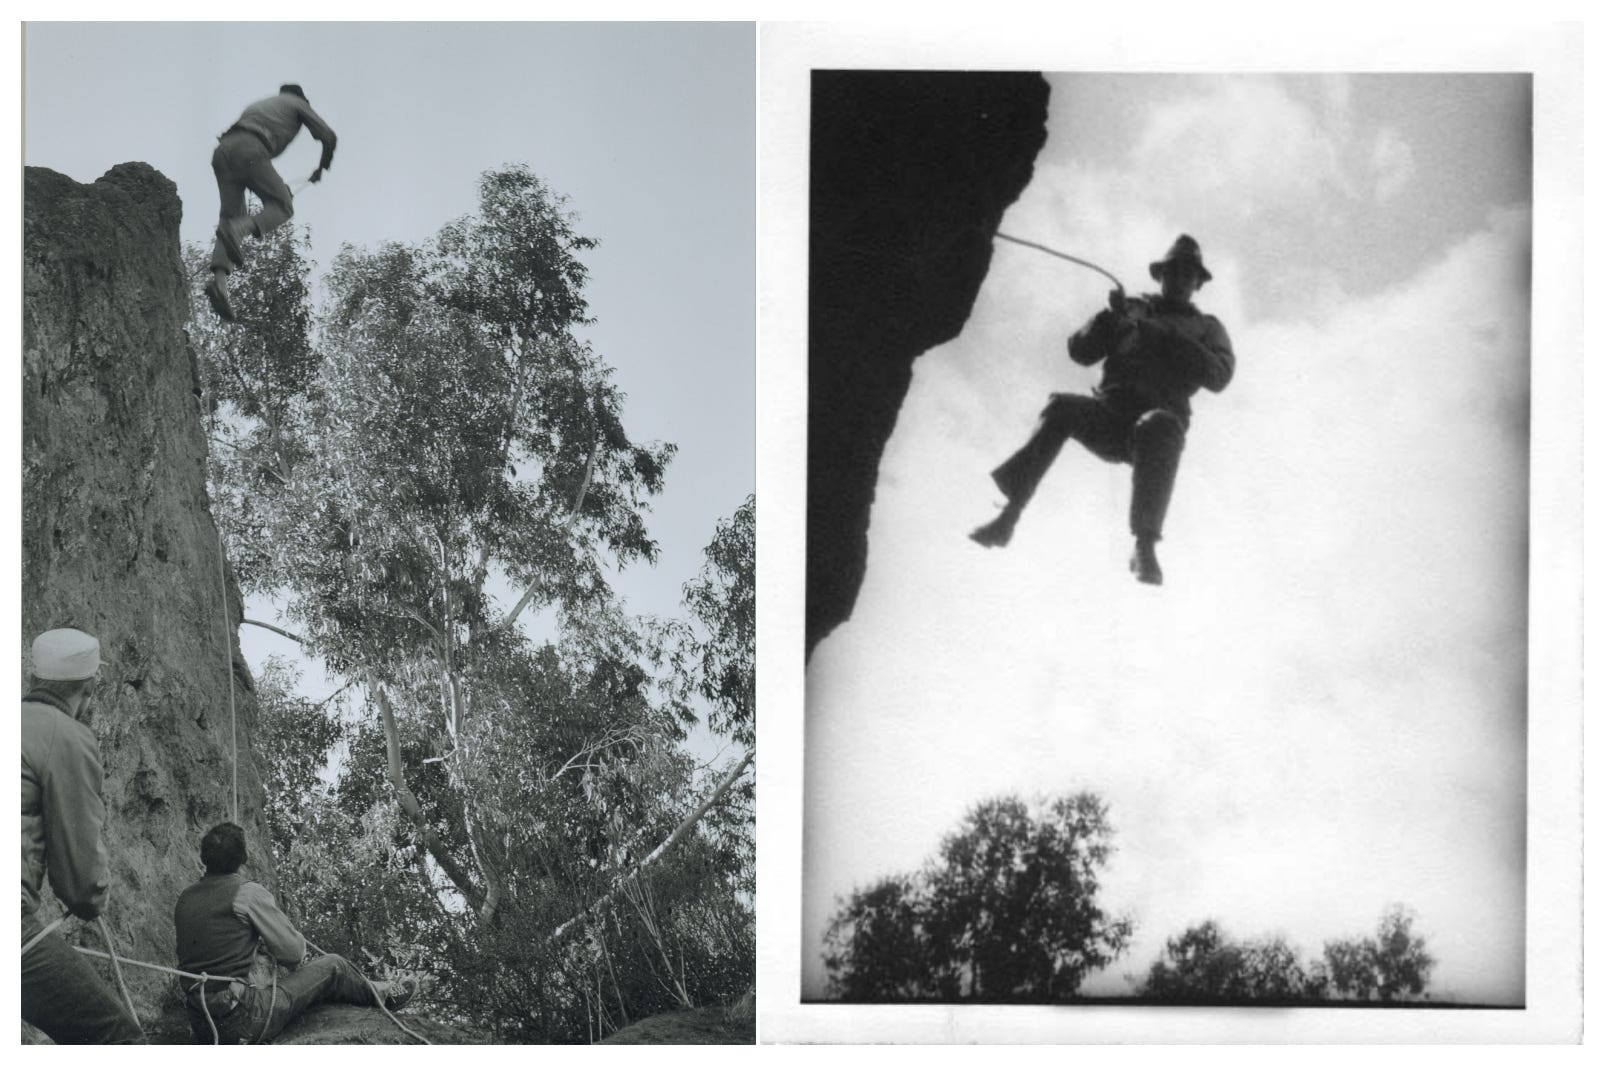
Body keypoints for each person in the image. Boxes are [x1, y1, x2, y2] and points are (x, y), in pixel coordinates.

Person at [970, 234, 1235, 585]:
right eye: (1173, 272)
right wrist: (1108, 319)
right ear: (1161, 276)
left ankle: (1145, 545)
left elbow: (1219, 376)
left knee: (1158, 424)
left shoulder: (1208, 328)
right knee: (1061, 407)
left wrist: (1166, 339)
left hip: (1156, 427)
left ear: (1198, 283)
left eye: (1188, 275)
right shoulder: (1132, 309)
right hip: (1110, 415)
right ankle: (1009, 515)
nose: (1180, 280)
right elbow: (1080, 352)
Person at [173, 822, 415, 1044]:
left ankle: (378, 990)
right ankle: (382, 996)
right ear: (243, 858)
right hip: (244, 1019)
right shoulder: (247, 894)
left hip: (202, 1021)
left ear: (204, 856)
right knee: (334, 965)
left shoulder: (185, 898)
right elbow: (294, 954)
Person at [21, 628, 147, 1044]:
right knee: (119, 1040)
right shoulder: (65, 735)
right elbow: (80, 880)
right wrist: (93, 899)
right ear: (90, 686)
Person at [203, 84, 337, 322]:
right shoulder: (297, 103)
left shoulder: (262, 105)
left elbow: (254, 167)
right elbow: (329, 136)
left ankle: (220, 285)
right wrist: (321, 168)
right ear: (301, 97)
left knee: (230, 217)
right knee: (283, 207)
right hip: (251, 149)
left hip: (223, 150)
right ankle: (239, 230)